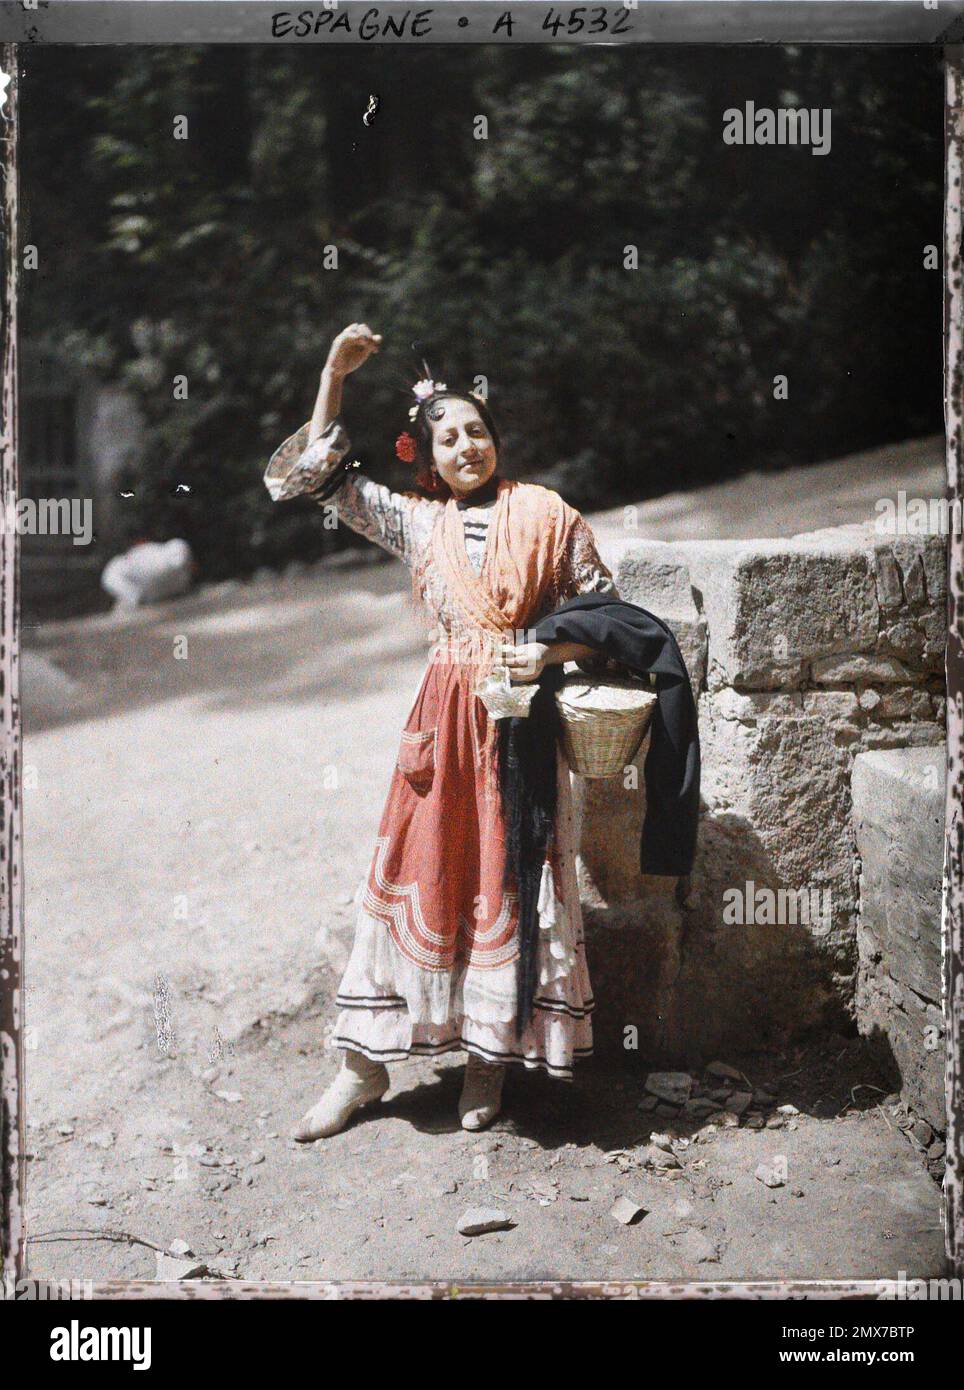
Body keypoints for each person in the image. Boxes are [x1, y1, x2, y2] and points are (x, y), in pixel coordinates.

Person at [264, 322, 617, 1138]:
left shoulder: (549, 516)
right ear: (428, 456)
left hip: (519, 727)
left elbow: (608, 617)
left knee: (503, 882)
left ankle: (486, 1064)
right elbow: (315, 478)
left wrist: (539, 651)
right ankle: (359, 1068)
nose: (467, 445)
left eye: (478, 431)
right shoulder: (418, 524)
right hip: (441, 727)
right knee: (414, 871)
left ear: (498, 441)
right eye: (448, 436)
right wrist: (331, 373)